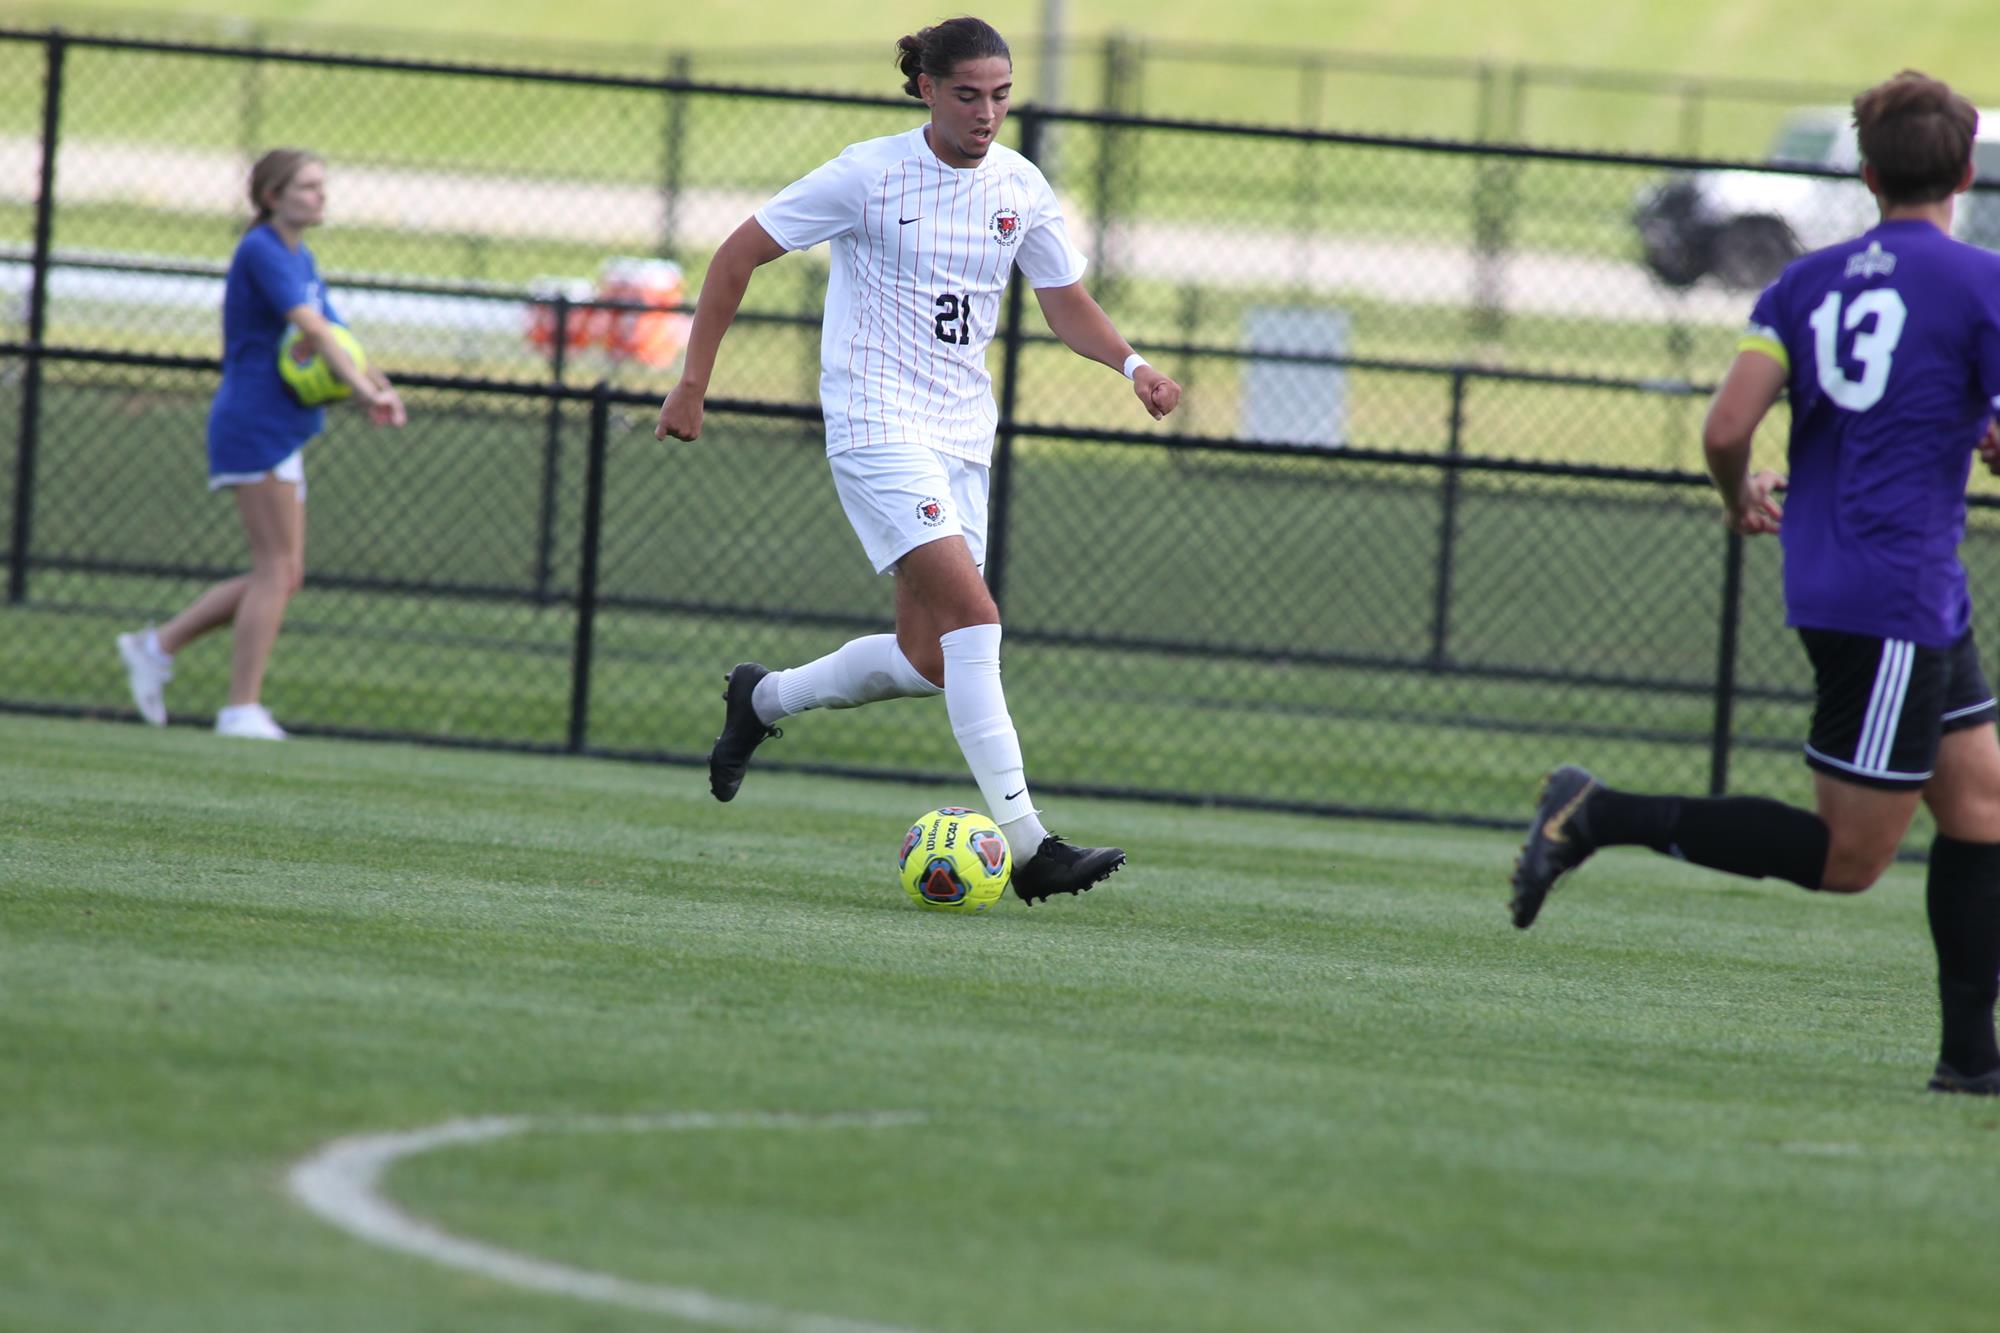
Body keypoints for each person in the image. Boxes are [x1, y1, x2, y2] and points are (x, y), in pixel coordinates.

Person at [1510, 71, 2000, 1095]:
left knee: (1982, 807)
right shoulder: (1981, 281)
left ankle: (1968, 1061)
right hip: (1890, 598)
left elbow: (1727, 428)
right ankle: (1595, 814)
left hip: (1868, 582)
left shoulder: (1799, 283)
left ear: (1863, 173)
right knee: (1849, 859)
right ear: (1963, 170)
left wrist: (1741, 493)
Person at [656, 17, 1181, 904]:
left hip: (961, 432)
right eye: (969, 94)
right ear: (928, 88)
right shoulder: (869, 172)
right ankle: (1031, 845)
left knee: (931, 657)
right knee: (976, 617)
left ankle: (763, 699)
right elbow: (736, 255)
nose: (987, 114)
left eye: (1002, 96)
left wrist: (1132, 365)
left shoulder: (1020, 185)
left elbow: (1065, 302)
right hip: (875, 422)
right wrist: (692, 382)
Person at [117, 149, 406, 740]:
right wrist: (361, 394)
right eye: (306, 187)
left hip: (281, 425)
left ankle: (157, 646)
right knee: (276, 569)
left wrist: (381, 386)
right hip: (253, 423)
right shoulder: (262, 249)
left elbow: (341, 337)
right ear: (272, 196)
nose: (319, 196)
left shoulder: (301, 255)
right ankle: (239, 709)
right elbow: (313, 328)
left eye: (322, 185)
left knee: (285, 572)